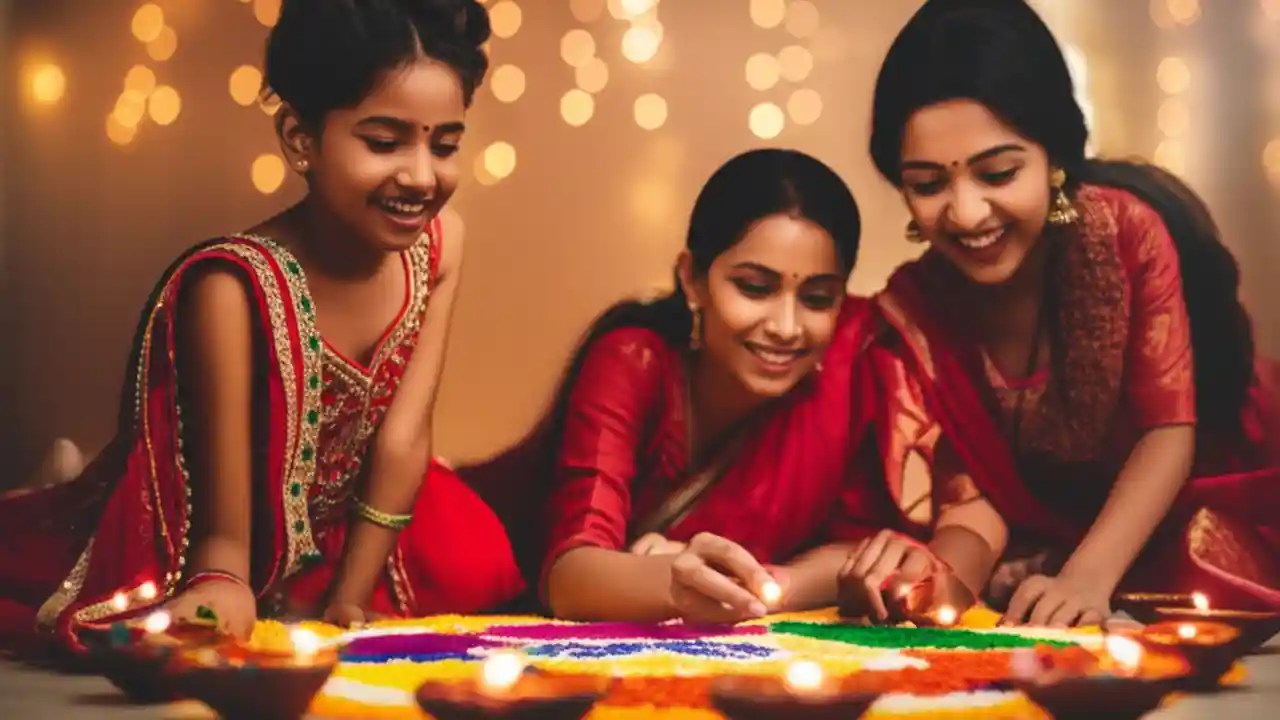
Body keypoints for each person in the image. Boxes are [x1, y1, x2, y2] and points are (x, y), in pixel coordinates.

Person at [0, 0, 525, 653]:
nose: (421, 175)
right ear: (301, 140)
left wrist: (350, 601)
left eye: (445, 145)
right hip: (232, 524)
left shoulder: (441, 244)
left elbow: (402, 440)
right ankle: (65, 494)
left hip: (361, 525)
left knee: (478, 561)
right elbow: (222, 533)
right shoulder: (230, 286)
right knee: (181, 617)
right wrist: (222, 581)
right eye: (384, 142)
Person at [837, 0, 1280, 627]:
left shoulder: (1122, 236)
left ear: (1056, 158)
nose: (966, 214)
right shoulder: (916, 309)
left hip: (1200, 491)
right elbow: (969, 503)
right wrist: (935, 585)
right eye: (929, 184)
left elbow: (1166, 433)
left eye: (998, 172)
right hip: (1046, 544)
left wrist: (1084, 580)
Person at [466, 149, 878, 624]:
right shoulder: (634, 362)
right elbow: (570, 578)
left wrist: (768, 583)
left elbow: (854, 550)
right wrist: (678, 579)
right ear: (692, 279)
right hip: (462, 571)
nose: (787, 326)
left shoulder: (835, 389)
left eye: (817, 299)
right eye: (754, 288)